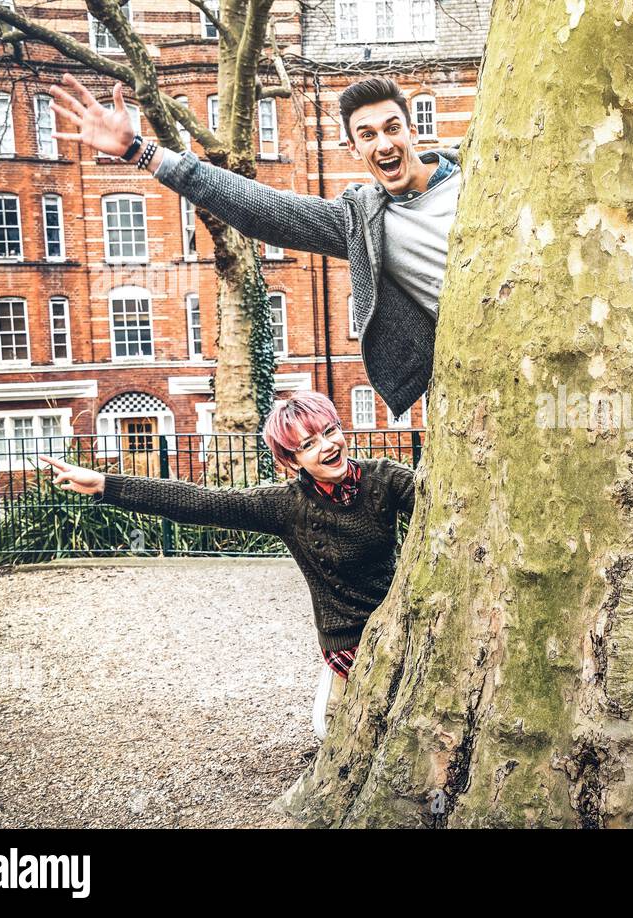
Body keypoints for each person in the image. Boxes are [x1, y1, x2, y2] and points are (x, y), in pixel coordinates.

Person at [48, 73, 455, 418]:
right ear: (353, 148)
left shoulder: (477, 174)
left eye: (391, 128)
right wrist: (140, 151)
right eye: (367, 135)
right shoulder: (362, 221)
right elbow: (264, 210)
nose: (383, 144)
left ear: (411, 130)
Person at [38, 391, 415, 739]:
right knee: (337, 733)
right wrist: (106, 484)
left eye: (330, 431)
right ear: (291, 460)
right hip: (347, 641)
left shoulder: (384, 478)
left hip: (401, 624)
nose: (328, 446)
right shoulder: (287, 505)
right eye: (308, 444)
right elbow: (202, 502)